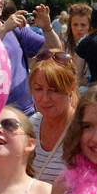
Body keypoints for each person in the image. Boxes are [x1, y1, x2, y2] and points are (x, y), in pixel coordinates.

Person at [28, 52, 79, 184]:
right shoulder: (31, 125)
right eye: (38, 89)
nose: (44, 99)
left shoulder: (84, 130)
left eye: (54, 90)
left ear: (71, 89)